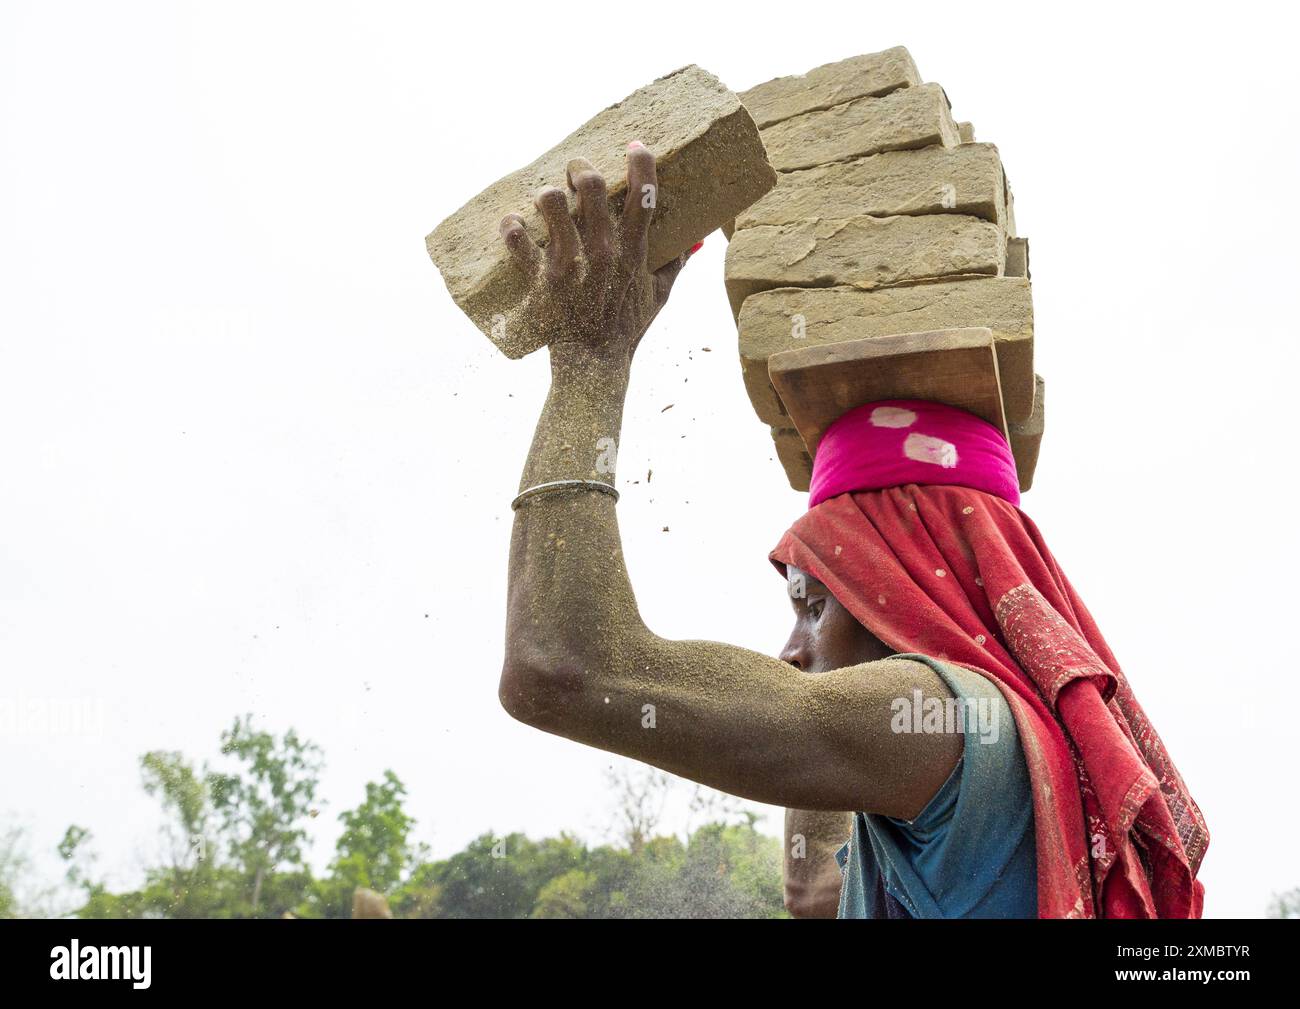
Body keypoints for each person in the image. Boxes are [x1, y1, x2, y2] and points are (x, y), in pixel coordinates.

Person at [494, 142, 1208, 918]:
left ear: (898, 589)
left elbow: (558, 668)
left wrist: (590, 357)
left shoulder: (946, 719)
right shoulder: (986, 751)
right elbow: (817, 892)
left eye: (815, 603)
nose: (791, 649)